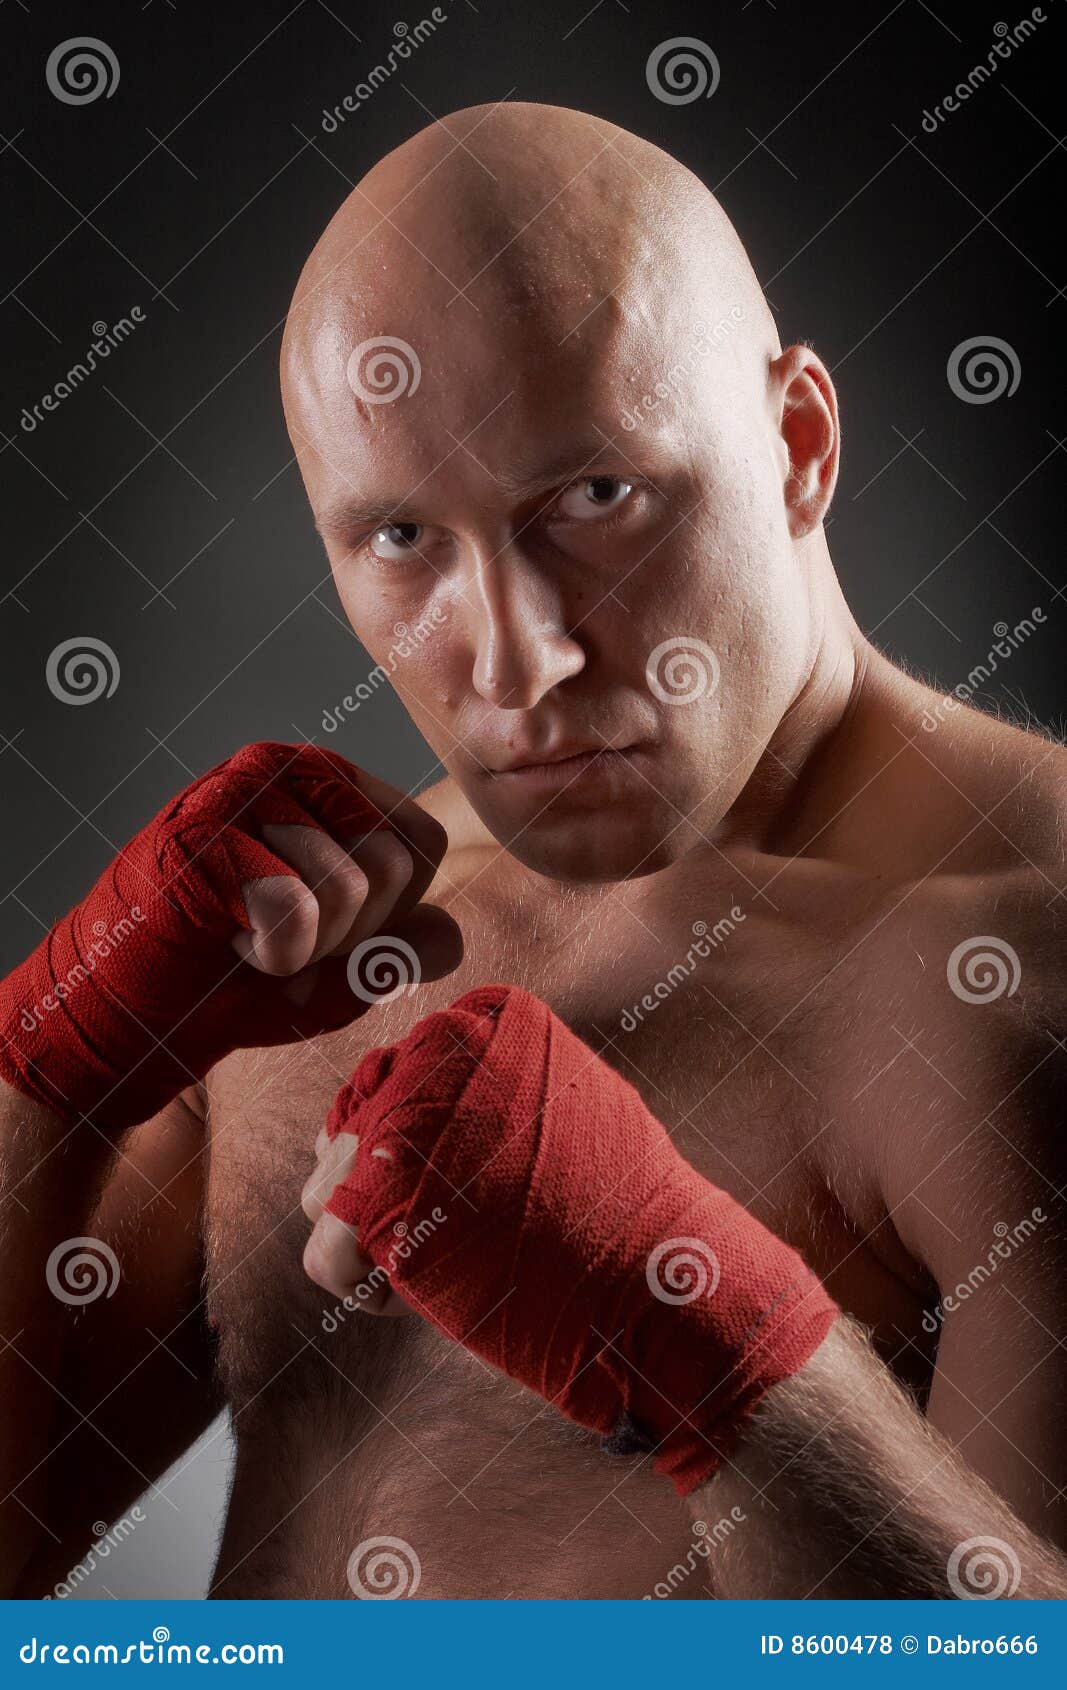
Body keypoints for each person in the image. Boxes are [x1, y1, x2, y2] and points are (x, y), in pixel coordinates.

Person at [1, 102, 1064, 1601]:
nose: (518, 661)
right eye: (402, 539)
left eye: (595, 498)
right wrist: (44, 1075)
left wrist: (719, 1347)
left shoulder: (1012, 964)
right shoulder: (316, 950)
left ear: (798, 445)